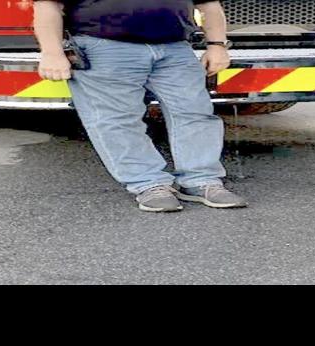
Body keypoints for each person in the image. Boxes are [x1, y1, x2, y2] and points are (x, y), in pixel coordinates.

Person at [34, 0, 248, 212]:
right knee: (117, 120)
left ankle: (202, 181)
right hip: (103, 47)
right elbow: (47, 5)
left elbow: (209, 5)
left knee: (195, 114)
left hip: (176, 48)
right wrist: (52, 52)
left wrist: (217, 45)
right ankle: (149, 184)